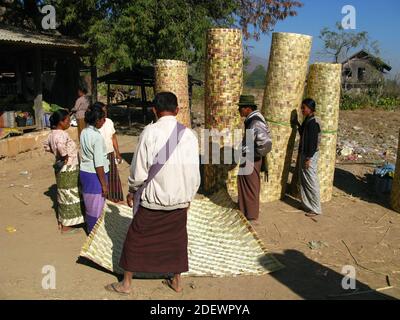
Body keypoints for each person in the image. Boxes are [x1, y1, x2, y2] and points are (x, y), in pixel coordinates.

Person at [105, 92, 200, 295]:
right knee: (176, 241)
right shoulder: (190, 136)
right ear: (177, 110)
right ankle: (176, 281)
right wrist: (189, 196)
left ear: (154, 110)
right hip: (180, 200)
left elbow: (139, 170)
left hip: (153, 201)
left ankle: (126, 283)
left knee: (135, 238)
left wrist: (132, 190)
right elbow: (194, 173)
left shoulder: (149, 132)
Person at [44, 109, 84, 234]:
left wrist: (56, 153)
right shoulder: (61, 134)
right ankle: (67, 226)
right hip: (68, 168)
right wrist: (65, 156)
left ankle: (63, 222)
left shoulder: (52, 134)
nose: (69, 122)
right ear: (61, 122)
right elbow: (61, 146)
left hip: (61, 168)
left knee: (63, 195)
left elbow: (45, 145)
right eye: (67, 120)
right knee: (70, 196)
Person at [237, 95, 272, 224]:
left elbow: (266, 143)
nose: (239, 110)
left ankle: (251, 215)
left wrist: (254, 154)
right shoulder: (251, 120)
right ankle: (245, 210)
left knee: (251, 186)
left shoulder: (256, 122)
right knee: (245, 184)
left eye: (240, 108)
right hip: (249, 157)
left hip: (252, 159)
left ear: (247, 108)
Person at [79, 107, 109, 233]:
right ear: (97, 120)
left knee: (90, 205)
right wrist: (104, 184)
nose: (104, 121)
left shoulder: (84, 132)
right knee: (97, 207)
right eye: (103, 119)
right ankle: (95, 235)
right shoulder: (96, 137)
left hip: (85, 172)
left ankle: (91, 230)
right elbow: (99, 164)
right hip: (95, 175)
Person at [292, 98, 322, 218]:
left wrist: (309, 158)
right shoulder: (307, 120)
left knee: (310, 181)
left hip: (310, 155)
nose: (302, 110)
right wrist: (297, 123)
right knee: (304, 180)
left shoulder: (314, 123)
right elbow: (303, 132)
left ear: (310, 108)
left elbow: (313, 143)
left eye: (304, 108)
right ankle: (306, 204)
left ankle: (315, 208)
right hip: (305, 153)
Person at [92, 102, 124, 203]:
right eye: (103, 110)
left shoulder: (109, 122)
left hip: (110, 153)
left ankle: (114, 197)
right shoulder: (93, 125)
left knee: (113, 176)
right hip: (100, 155)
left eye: (105, 110)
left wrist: (117, 153)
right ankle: (102, 198)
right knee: (101, 177)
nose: (105, 112)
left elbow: (113, 138)